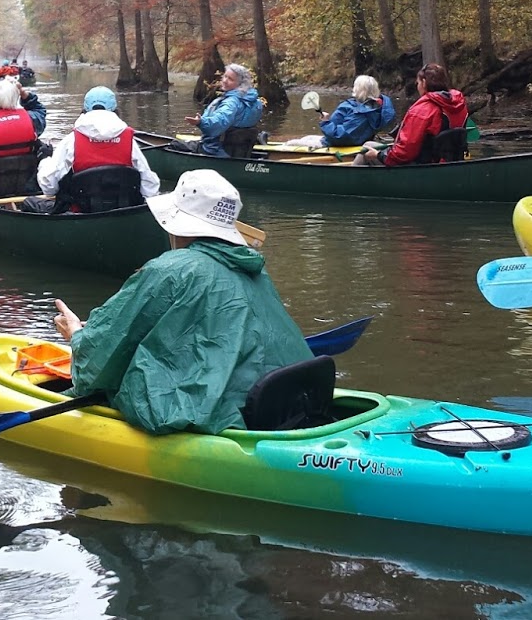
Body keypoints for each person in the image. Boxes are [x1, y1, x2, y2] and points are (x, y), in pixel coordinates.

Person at [51, 170, 314, 434]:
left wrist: (77, 336)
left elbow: (97, 363)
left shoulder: (171, 269)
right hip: (287, 405)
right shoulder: (254, 269)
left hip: (219, 414)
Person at [22, 86, 160, 213]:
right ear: (116, 111)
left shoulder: (71, 141)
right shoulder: (130, 142)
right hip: (123, 213)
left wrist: (45, 160)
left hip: (80, 215)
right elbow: (150, 189)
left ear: (84, 111)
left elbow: (49, 187)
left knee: (29, 202)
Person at [354, 63, 467, 166]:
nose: (417, 86)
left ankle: (351, 178)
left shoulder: (422, 111)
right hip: (448, 163)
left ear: (424, 83)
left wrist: (379, 155)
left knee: (366, 148)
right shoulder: (459, 104)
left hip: (420, 166)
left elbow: (405, 152)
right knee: (371, 145)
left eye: (418, 83)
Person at [186, 63, 264, 157]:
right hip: (240, 152)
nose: (225, 80)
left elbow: (219, 122)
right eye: (225, 76)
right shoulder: (256, 102)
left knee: (175, 145)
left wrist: (201, 122)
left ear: (240, 84)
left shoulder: (231, 103)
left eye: (230, 79)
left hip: (215, 150)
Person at [320, 75, 395, 147]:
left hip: (338, 145)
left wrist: (325, 122)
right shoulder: (381, 110)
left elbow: (340, 137)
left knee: (312, 140)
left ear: (357, 89)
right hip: (363, 143)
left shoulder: (348, 107)